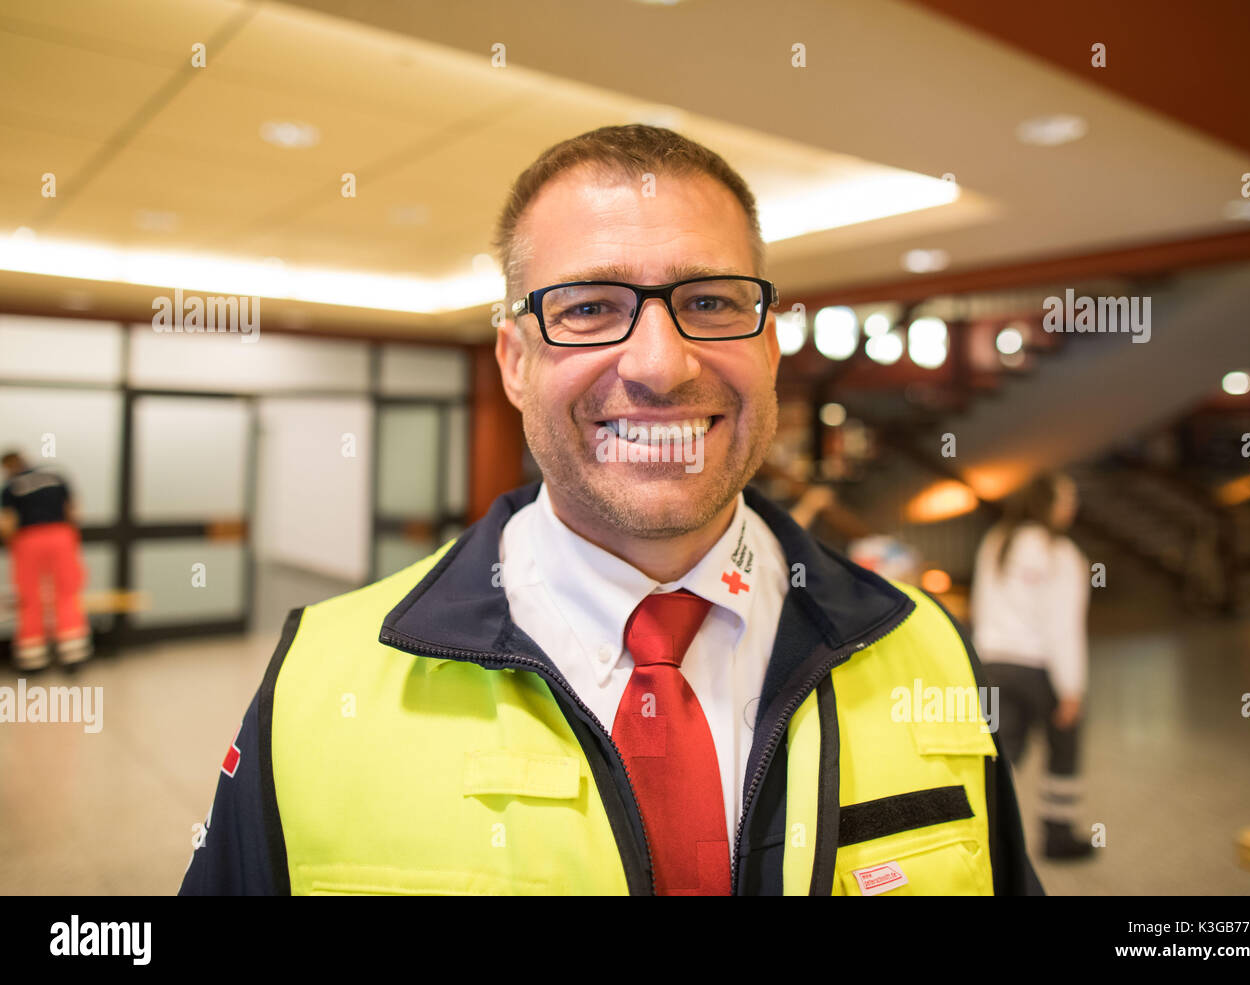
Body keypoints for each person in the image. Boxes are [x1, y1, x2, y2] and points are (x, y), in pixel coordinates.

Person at [180, 125, 1041, 895]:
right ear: (514, 361)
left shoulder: (920, 646)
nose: (661, 366)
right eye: (591, 308)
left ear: (769, 346)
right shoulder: (315, 686)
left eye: (709, 302)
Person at [970, 472, 1094, 860]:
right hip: (1038, 670)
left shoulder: (996, 542)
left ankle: (982, 840)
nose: (1072, 507)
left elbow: (979, 605)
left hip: (991, 665)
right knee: (1063, 749)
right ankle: (1057, 836)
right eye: (1067, 499)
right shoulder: (1061, 553)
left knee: (1000, 757)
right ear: (1050, 504)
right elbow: (1062, 626)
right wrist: (1072, 688)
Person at [1, 451, 92, 670]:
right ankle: (73, 654)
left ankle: (33, 659)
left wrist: (11, 544)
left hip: (28, 539)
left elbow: (7, 523)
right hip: (61, 536)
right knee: (67, 592)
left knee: (30, 596)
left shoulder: (12, 486)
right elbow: (73, 511)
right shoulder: (55, 475)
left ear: (9, 466)